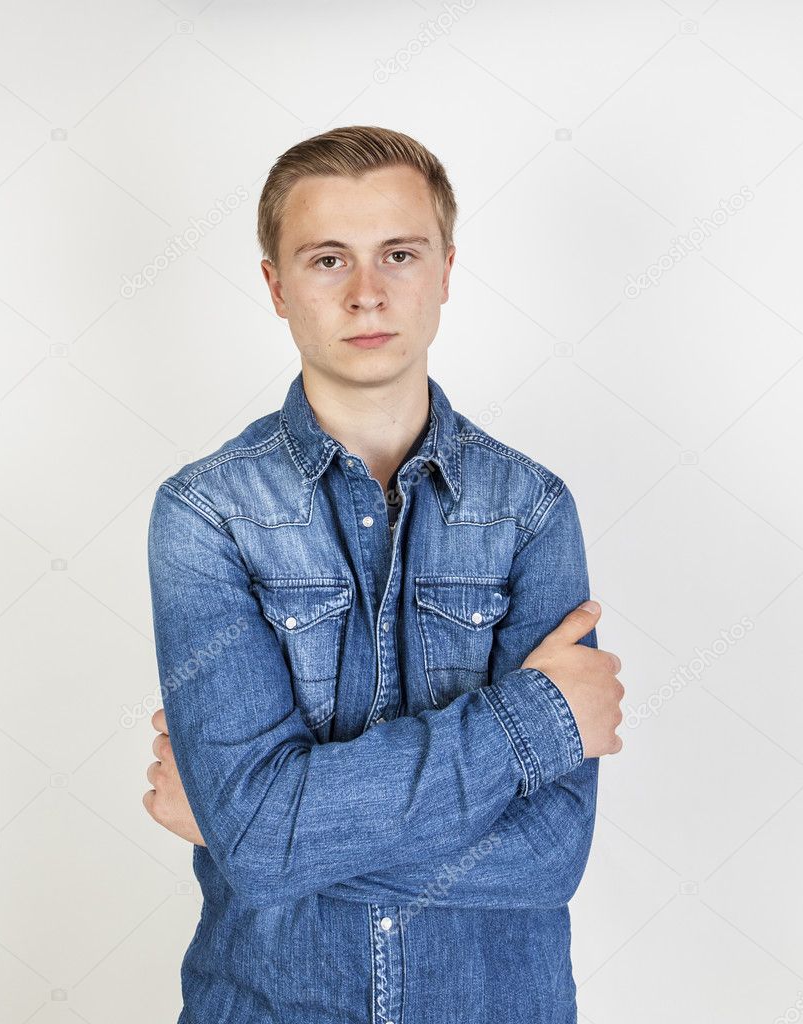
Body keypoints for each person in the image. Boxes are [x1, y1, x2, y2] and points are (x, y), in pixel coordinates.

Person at [143, 125, 625, 1024]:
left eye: (398, 254)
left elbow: (551, 853)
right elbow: (252, 841)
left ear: (445, 270)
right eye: (328, 259)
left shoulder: (531, 509)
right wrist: (538, 717)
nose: (368, 294)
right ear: (275, 286)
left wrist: (265, 828)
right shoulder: (205, 514)